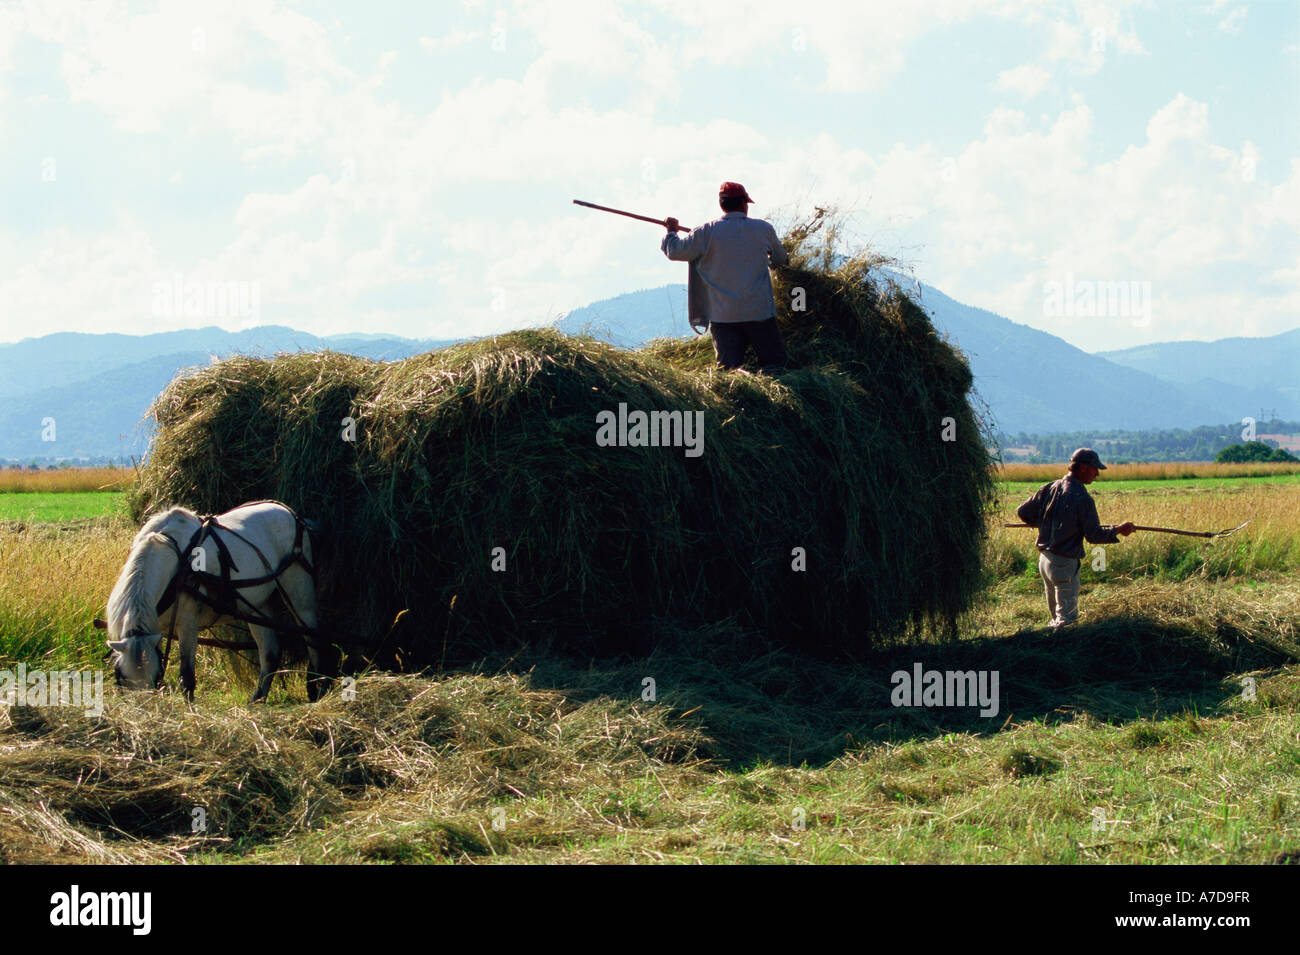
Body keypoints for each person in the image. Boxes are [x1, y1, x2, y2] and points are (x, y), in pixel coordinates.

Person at [661, 181, 790, 375]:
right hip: (759, 312)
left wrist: (671, 231)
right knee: (773, 366)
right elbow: (781, 261)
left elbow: (675, 251)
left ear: (722, 205)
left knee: (729, 372)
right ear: (744, 204)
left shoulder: (705, 232)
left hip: (723, 316)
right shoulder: (763, 229)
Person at [1016, 447, 1136, 628]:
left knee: (1055, 618)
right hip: (1063, 564)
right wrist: (1118, 530)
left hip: (1045, 561)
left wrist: (1045, 523)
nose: (1097, 474)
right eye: (1095, 469)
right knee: (1067, 622)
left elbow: (1023, 511)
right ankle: (1061, 653)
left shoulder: (1050, 487)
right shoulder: (1081, 497)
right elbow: (1093, 535)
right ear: (1083, 468)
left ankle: (1049, 650)